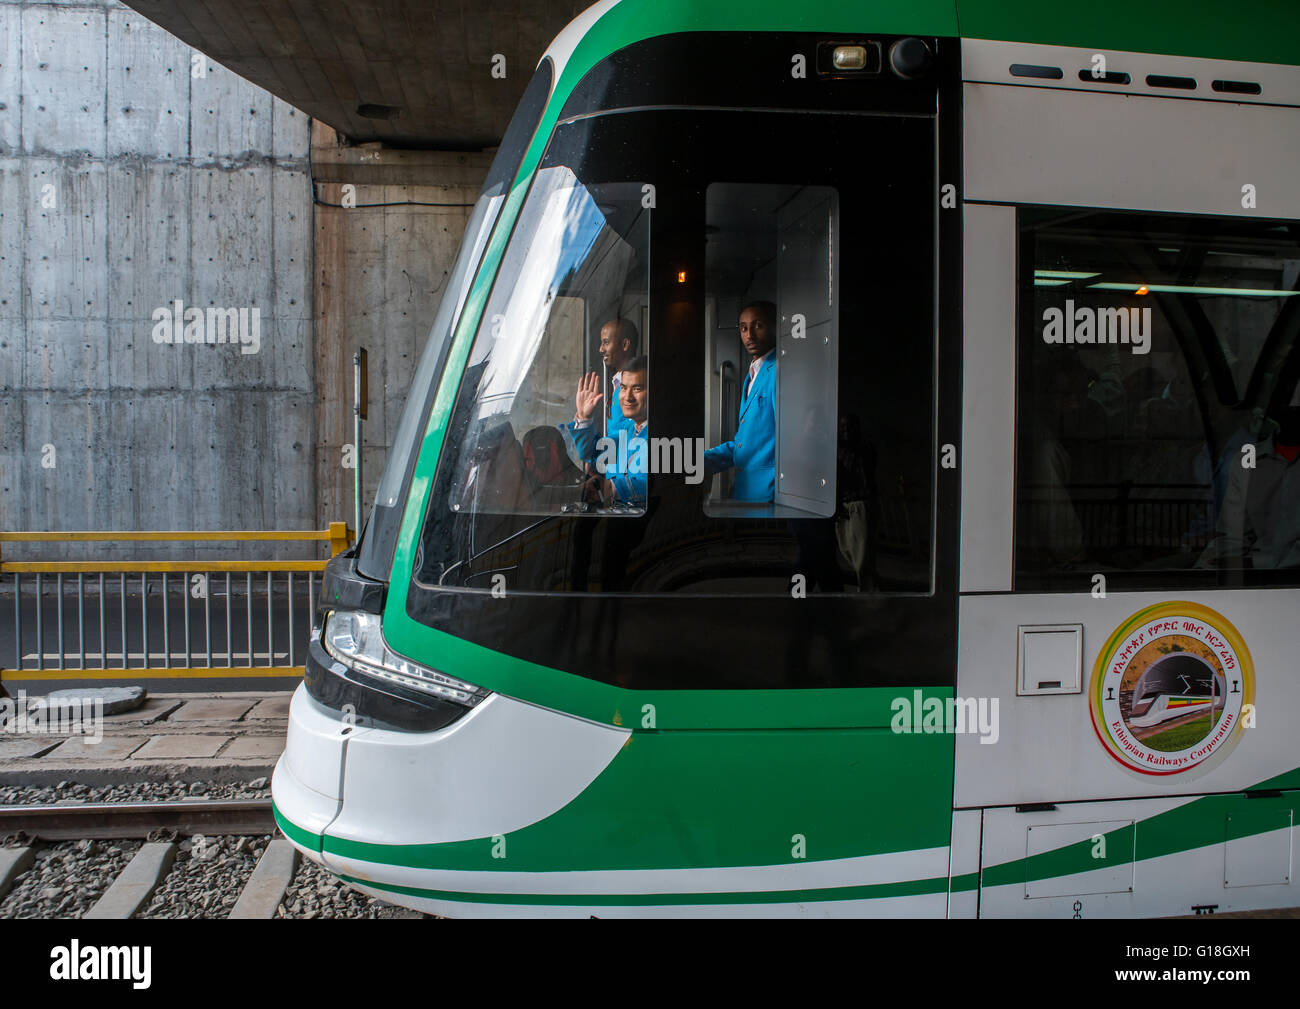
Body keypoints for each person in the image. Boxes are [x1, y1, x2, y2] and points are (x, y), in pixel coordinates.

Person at [704, 301, 778, 502]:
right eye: (744, 328)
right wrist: (697, 461)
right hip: (747, 493)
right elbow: (745, 443)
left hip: (768, 494)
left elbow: (789, 439)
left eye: (758, 326)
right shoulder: (753, 373)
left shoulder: (779, 370)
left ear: (775, 326)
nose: (749, 335)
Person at [578, 356, 649, 507]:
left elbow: (651, 483)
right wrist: (584, 418)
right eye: (623, 388)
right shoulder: (628, 431)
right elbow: (593, 455)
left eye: (637, 389)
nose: (627, 397)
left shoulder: (666, 435)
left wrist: (610, 488)